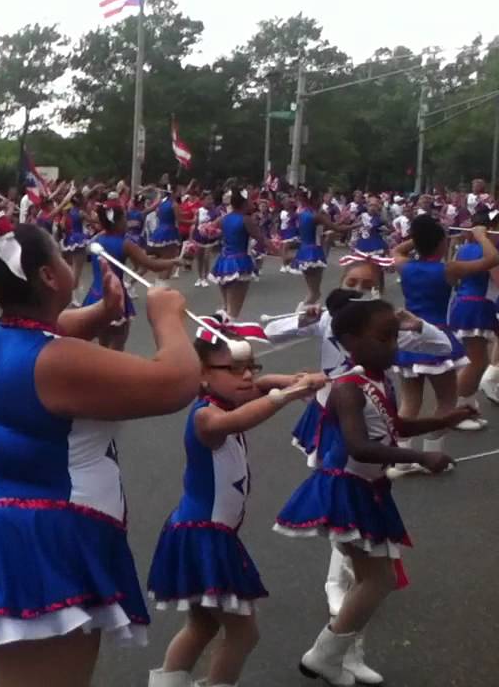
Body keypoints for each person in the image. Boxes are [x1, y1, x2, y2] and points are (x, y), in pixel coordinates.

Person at [0, 216, 201, 687]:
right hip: (55, 534)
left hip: (30, 522)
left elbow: (56, 327)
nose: (71, 262)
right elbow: (177, 382)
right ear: (48, 276)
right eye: (62, 257)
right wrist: (166, 315)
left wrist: (102, 312)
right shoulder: (58, 360)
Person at [274, 296, 467, 686]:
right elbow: (359, 445)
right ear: (349, 340)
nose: (393, 345)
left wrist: (443, 418)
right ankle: (325, 655)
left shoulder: (381, 380)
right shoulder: (348, 387)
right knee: (377, 579)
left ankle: (338, 655)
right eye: (383, 337)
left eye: (394, 336)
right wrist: (419, 458)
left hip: (368, 488)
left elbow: (394, 427)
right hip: (347, 489)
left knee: (371, 578)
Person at [146, 334, 324, 687]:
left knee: (202, 624)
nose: (246, 377)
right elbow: (243, 419)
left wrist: (295, 381)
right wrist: (289, 393)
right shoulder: (206, 417)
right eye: (234, 369)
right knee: (244, 633)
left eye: (250, 367)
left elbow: (262, 385)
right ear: (202, 376)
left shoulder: (224, 401)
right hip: (204, 535)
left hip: (199, 531)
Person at [391, 219, 494, 470]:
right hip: (436, 337)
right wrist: (481, 236)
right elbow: (491, 259)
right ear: (441, 243)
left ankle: (402, 459)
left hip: (407, 338)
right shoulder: (449, 269)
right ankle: (432, 456)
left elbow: (396, 250)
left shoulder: (404, 266)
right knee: (446, 402)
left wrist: (420, 237)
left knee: (410, 402)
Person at [83, 202, 180, 350]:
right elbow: (151, 265)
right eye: (124, 219)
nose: (127, 223)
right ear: (118, 222)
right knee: (117, 344)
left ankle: (103, 371)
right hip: (116, 295)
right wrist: (174, 261)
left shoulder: (97, 240)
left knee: (103, 344)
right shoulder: (125, 244)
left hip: (95, 294)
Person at [445, 211, 499, 427]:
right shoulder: (490, 252)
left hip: (465, 303)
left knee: (474, 361)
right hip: (476, 307)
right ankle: (455, 412)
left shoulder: (464, 249)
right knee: (477, 362)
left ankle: (466, 407)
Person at [286, 190, 352, 307]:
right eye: (320, 199)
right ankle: (299, 316)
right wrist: (357, 224)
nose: (321, 202)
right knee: (315, 293)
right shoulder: (316, 215)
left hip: (303, 251)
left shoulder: (301, 214)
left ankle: (304, 313)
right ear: (314, 200)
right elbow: (338, 228)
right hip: (314, 252)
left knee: (313, 292)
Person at [208, 189, 263, 319]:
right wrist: (278, 250)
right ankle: (226, 336)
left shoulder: (224, 219)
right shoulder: (246, 220)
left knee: (227, 307)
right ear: (244, 203)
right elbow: (261, 239)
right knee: (233, 312)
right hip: (240, 263)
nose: (252, 203)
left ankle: (221, 333)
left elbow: (208, 230)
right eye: (250, 200)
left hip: (223, 263)